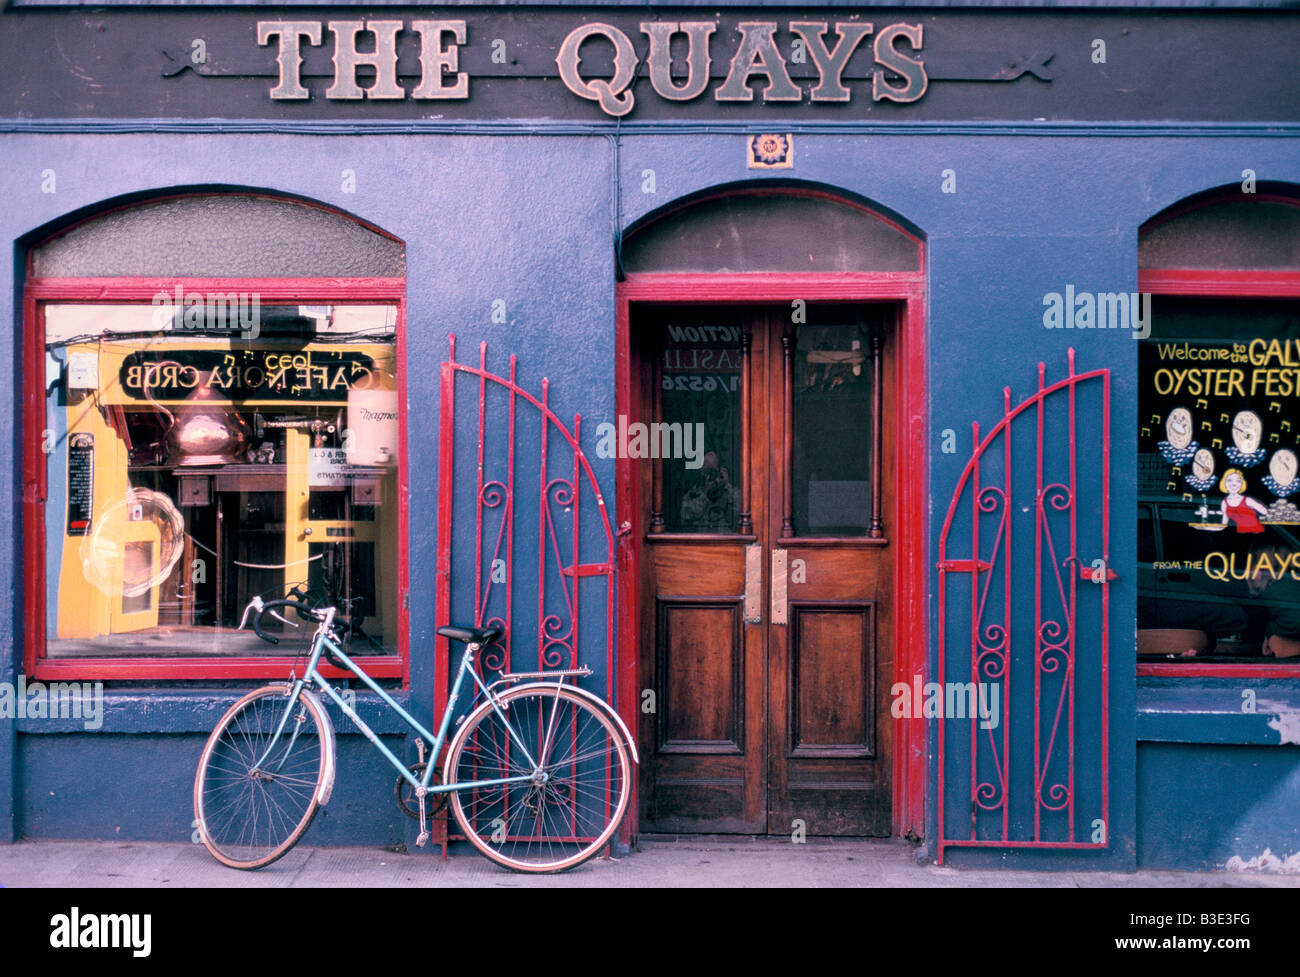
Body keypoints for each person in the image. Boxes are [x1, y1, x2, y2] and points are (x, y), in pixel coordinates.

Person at [1219, 468, 1267, 534]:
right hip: (1241, 535)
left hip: (1257, 534)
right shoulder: (1224, 503)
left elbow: (1264, 512)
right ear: (1224, 482)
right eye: (1230, 480)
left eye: (1238, 481)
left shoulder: (1248, 500)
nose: (1234, 484)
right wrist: (1205, 528)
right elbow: (1223, 525)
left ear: (1242, 484)